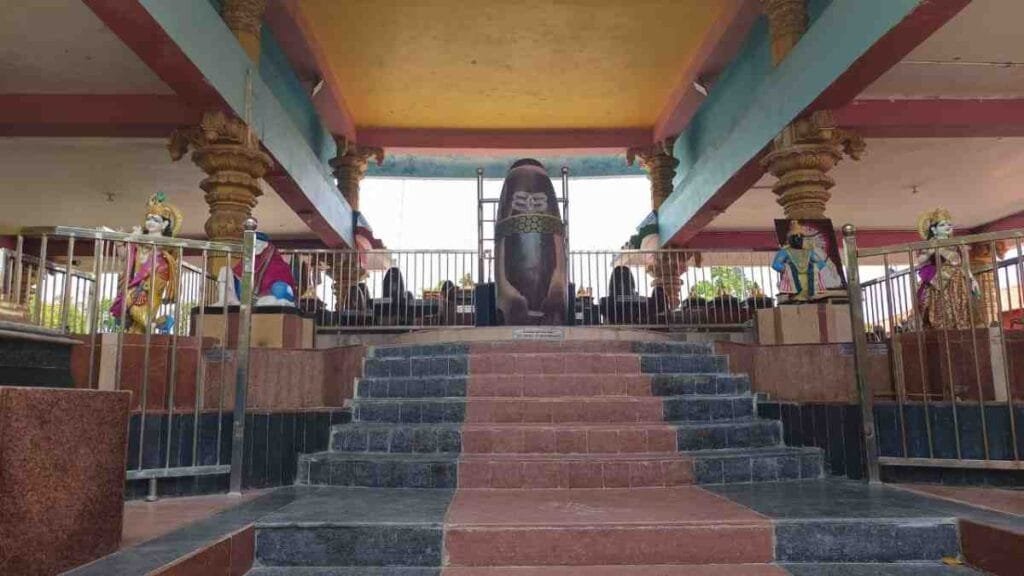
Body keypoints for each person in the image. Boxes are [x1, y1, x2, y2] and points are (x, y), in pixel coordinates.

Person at [109, 193, 180, 333]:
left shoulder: (165, 242)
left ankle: (152, 325)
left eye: (155, 219)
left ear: (164, 224)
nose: (150, 222)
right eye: (148, 218)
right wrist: (119, 244)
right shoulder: (139, 240)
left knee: (138, 309)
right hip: (135, 281)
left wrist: (136, 238)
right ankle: (155, 324)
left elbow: (156, 246)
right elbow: (125, 257)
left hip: (153, 281)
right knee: (127, 306)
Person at [915, 208, 979, 329]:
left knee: (961, 307)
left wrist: (972, 279)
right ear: (933, 229)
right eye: (942, 225)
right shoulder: (929, 244)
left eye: (949, 224)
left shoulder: (957, 244)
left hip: (958, 282)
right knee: (941, 310)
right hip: (938, 282)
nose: (947, 227)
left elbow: (964, 265)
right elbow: (920, 261)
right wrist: (930, 251)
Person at [772, 220, 827, 302]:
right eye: (795, 238)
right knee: (797, 300)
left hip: (809, 280)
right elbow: (776, 265)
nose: (798, 240)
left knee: (808, 301)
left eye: (800, 238)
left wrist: (811, 268)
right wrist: (788, 268)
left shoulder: (808, 251)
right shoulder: (785, 251)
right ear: (790, 239)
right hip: (793, 280)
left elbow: (821, 263)